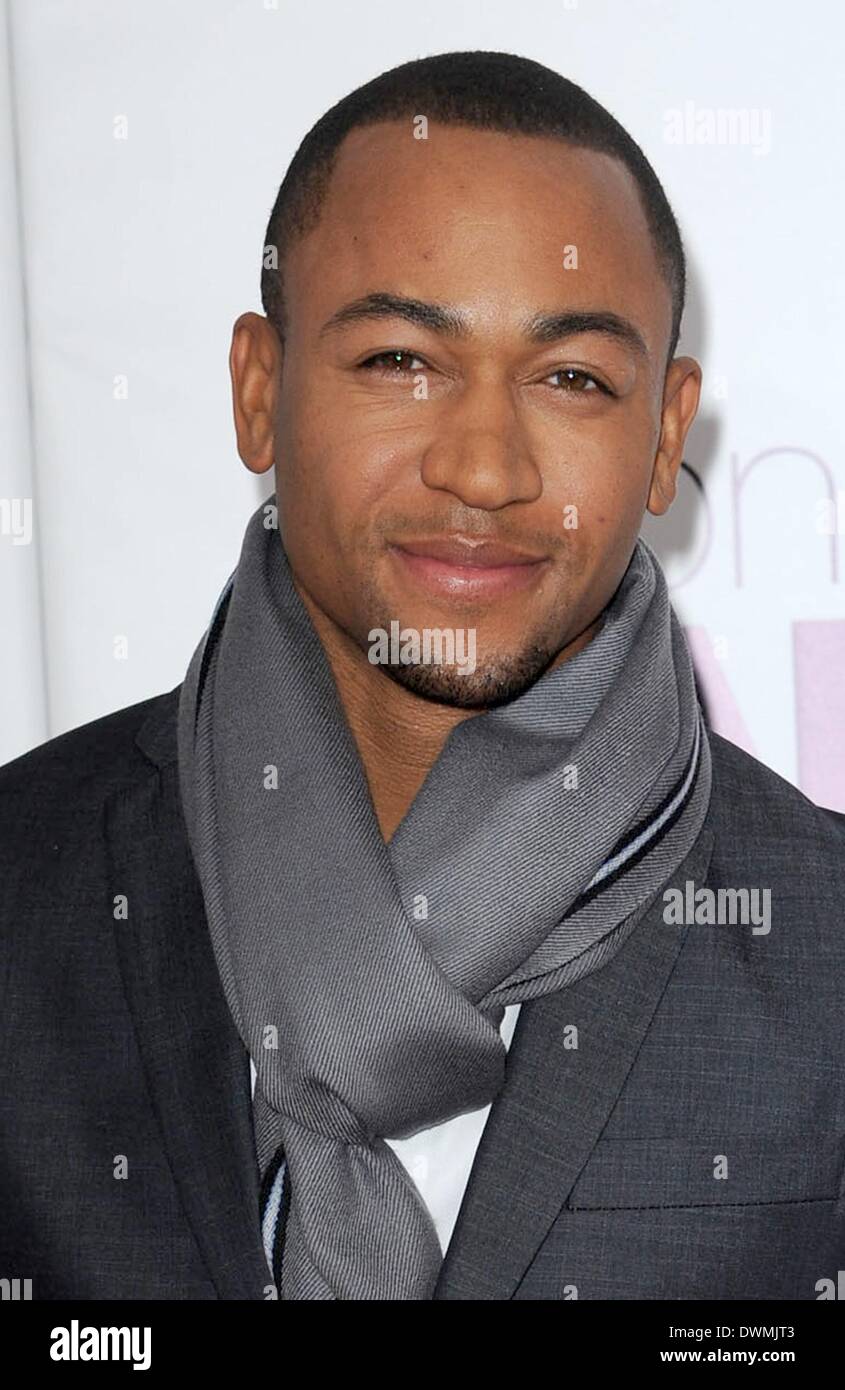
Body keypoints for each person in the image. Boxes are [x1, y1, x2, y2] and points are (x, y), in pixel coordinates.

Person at [1, 50, 843, 1303]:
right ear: (256, 389)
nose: (485, 467)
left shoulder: (822, 944)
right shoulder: (23, 879)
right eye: (401, 360)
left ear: (664, 436)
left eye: (570, 378)